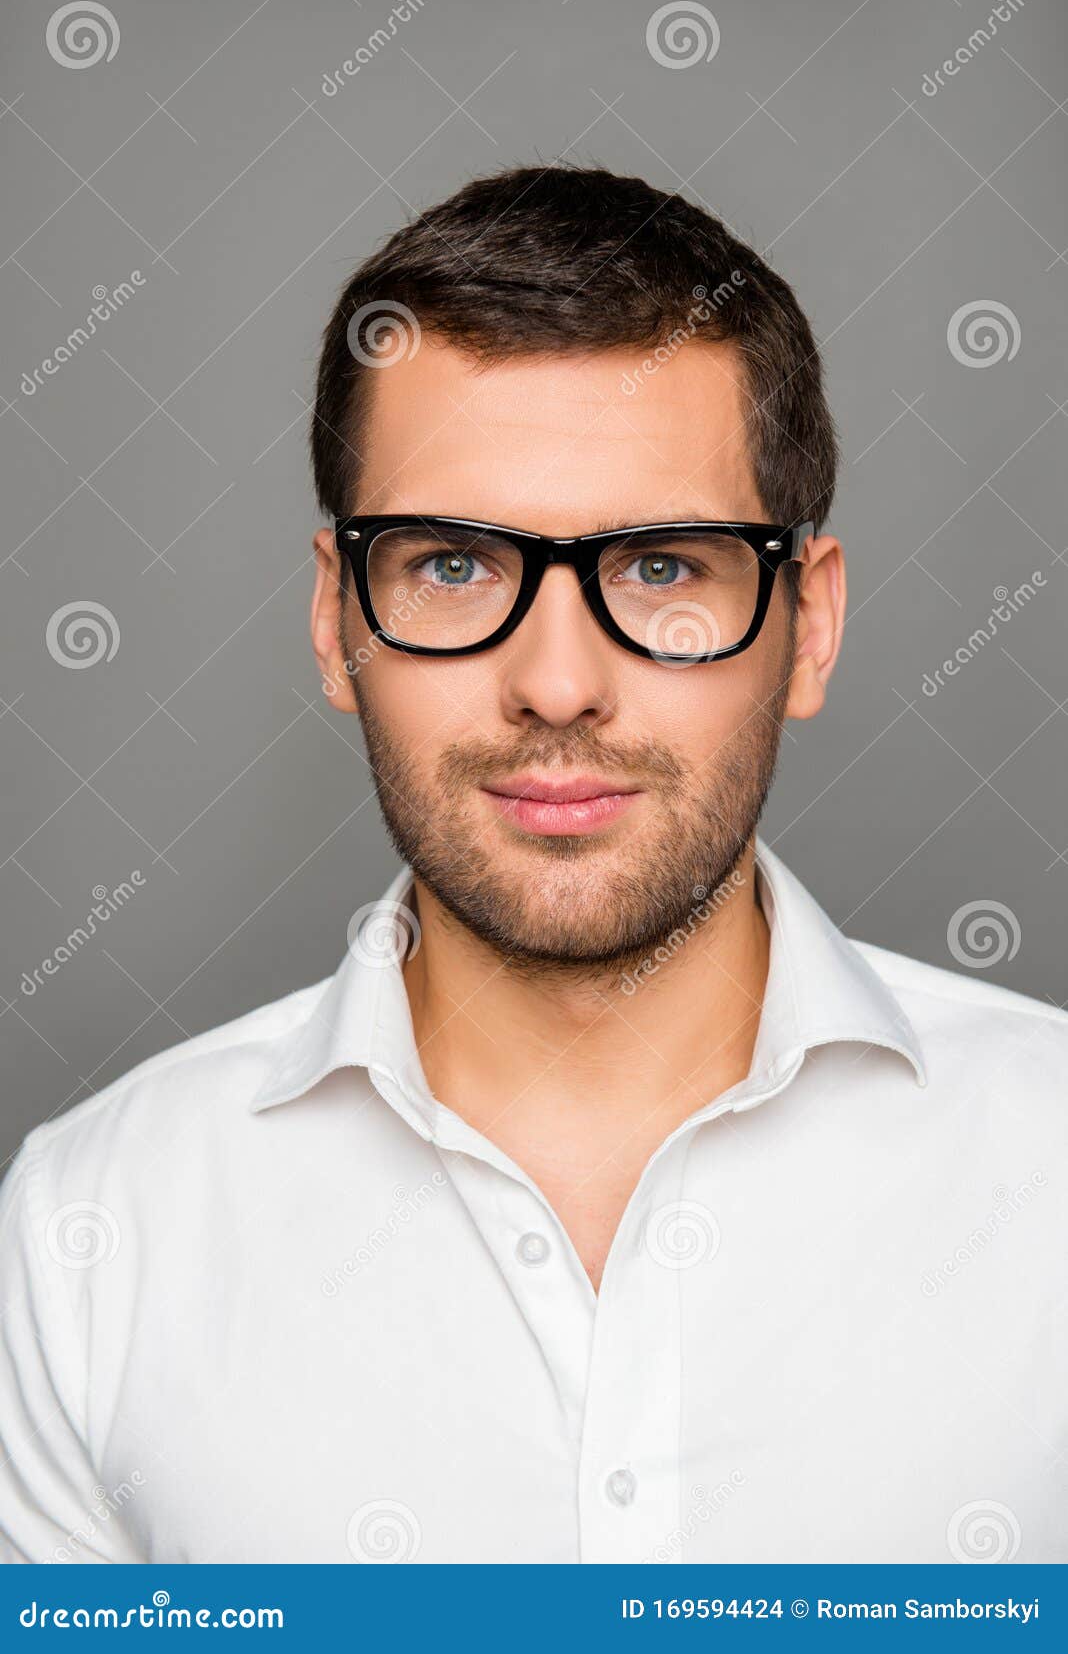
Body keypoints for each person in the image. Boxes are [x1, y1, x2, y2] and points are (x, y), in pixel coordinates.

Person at [1, 167, 1064, 1566]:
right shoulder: (89, 1236)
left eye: (664, 569)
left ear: (808, 625)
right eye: (450, 566)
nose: (559, 684)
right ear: (336, 621)